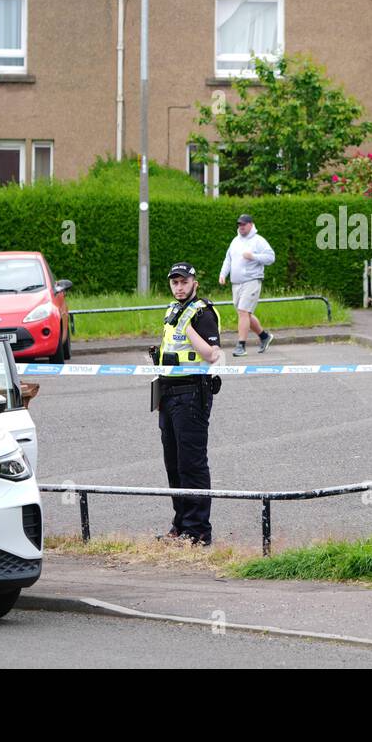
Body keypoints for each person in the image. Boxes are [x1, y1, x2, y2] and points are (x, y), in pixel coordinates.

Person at [151, 262, 222, 546]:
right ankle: (180, 525)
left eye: (184, 282)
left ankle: (198, 530)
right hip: (168, 392)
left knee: (192, 464)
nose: (179, 287)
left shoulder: (202, 312)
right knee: (174, 463)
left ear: (195, 283)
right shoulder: (171, 310)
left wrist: (187, 327)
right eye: (174, 283)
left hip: (192, 393)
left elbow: (212, 354)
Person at [219, 213, 276, 357]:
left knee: (243, 312)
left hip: (252, 280)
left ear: (251, 224)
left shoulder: (259, 241)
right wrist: (222, 274)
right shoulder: (235, 241)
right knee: (244, 313)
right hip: (236, 283)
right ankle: (264, 336)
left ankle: (241, 346)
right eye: (239, 224)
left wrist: (254, 256)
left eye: (244, 224)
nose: (241, 227)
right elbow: (228, 259)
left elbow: (271, 257)